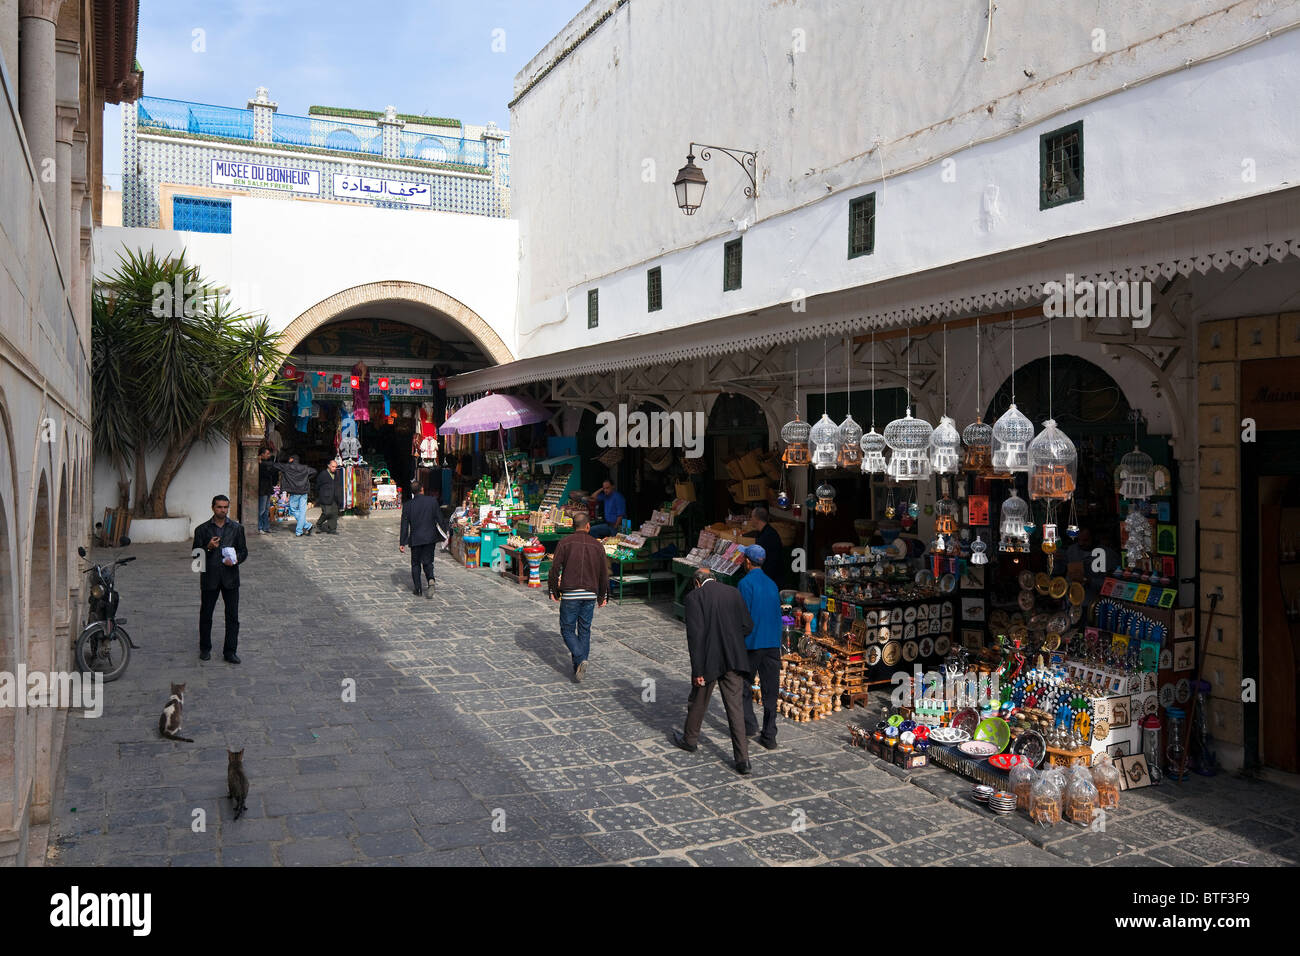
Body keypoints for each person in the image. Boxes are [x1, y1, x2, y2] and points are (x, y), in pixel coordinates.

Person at [672, 568, 754, 775]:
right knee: (735, 708)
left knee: (698, 700)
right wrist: (731, 639)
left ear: (697, 583)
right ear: (714, 579)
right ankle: (743, 760)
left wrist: (697, 670)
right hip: (733, 658)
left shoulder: (694, 598)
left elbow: (695, 636)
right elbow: (747, 625)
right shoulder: (733, 592)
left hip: (708, 660)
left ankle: (690, 739)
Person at [547, 512, 609, 681]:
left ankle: (580, 658)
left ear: (573, 526)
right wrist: (603, 595)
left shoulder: (565, 542)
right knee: (584, 630)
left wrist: (553, 589)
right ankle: (579, 667)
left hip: (571, 593)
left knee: (567, 629)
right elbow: (604, 573)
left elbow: (554, 569)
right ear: (588, 526)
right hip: (590, 593)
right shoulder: (597, 546)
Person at [192, 494, 248, 664]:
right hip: (210, 578)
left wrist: (236, 559)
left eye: (225, 507)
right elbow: (196, 557)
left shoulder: (237, 528)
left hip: (230, 578)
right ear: (213, 508)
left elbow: (244, 551)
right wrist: (208, 548)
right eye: (219, 507)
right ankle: (205, 648)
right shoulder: (202, 530)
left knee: (232, 616)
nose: (223, 510)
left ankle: (230, 651)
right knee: (206, 615)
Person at [738, 544, 783, 750]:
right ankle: (769, 735)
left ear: (747, 561)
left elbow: (743, 616)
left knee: (743, 685)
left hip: (753, 643)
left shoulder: (745, 583)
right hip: (772, 643)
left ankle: (749, 725)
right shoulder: (772, 584)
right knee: (770, 691)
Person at [400, 480, 448, 598]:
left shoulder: (407, 505)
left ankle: (418, 589)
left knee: (415, 564)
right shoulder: (432, 501)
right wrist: (445, 533)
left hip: (415, 539)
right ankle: (430, 579)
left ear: (413, 492)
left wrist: (402, 542)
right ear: (422, 489)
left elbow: (404, 525)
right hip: (429, 538)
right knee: (428, 562)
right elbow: (440, 519)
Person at [272, 454, 317, 537]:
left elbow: (275, 465)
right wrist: (306, 479)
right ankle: (302, 528)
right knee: (302, 511)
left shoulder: (287, 467)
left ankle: (304, 527)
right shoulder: (304, 468)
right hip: (304, 491)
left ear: (291, 459)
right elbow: (314, 471)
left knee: (293, 509)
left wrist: (261, 462)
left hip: (295, 492)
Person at [747, 506, 785, 586]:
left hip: (771, 578)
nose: (750, 519)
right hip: (768, 576)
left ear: (756, 519)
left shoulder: (768, 535)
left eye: (751, 517)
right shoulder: (763, 532)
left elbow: (768, 561)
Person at [315, 459, 344, 535]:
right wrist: (320, 495)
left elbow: (338, 486)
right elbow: (317, 486)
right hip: (325, 497)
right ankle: (319, 524)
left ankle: (332, 528)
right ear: (329, 466)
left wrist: (340, 497)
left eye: (335, 467)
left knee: (334, 513)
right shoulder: (323, 474)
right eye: (333, 467)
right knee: (327, 512)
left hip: (335, 497)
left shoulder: (337, 474)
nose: (334, 468)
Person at [256, 447, 277, 534]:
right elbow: (263, 474)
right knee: (262, 509)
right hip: (262, 489)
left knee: (267, 509)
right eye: (267, 453)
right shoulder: (259, 464)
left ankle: (266, 527)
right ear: (262, 454)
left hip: (268, 488)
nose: (269, 455)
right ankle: (260, 527)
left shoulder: (267, 463)